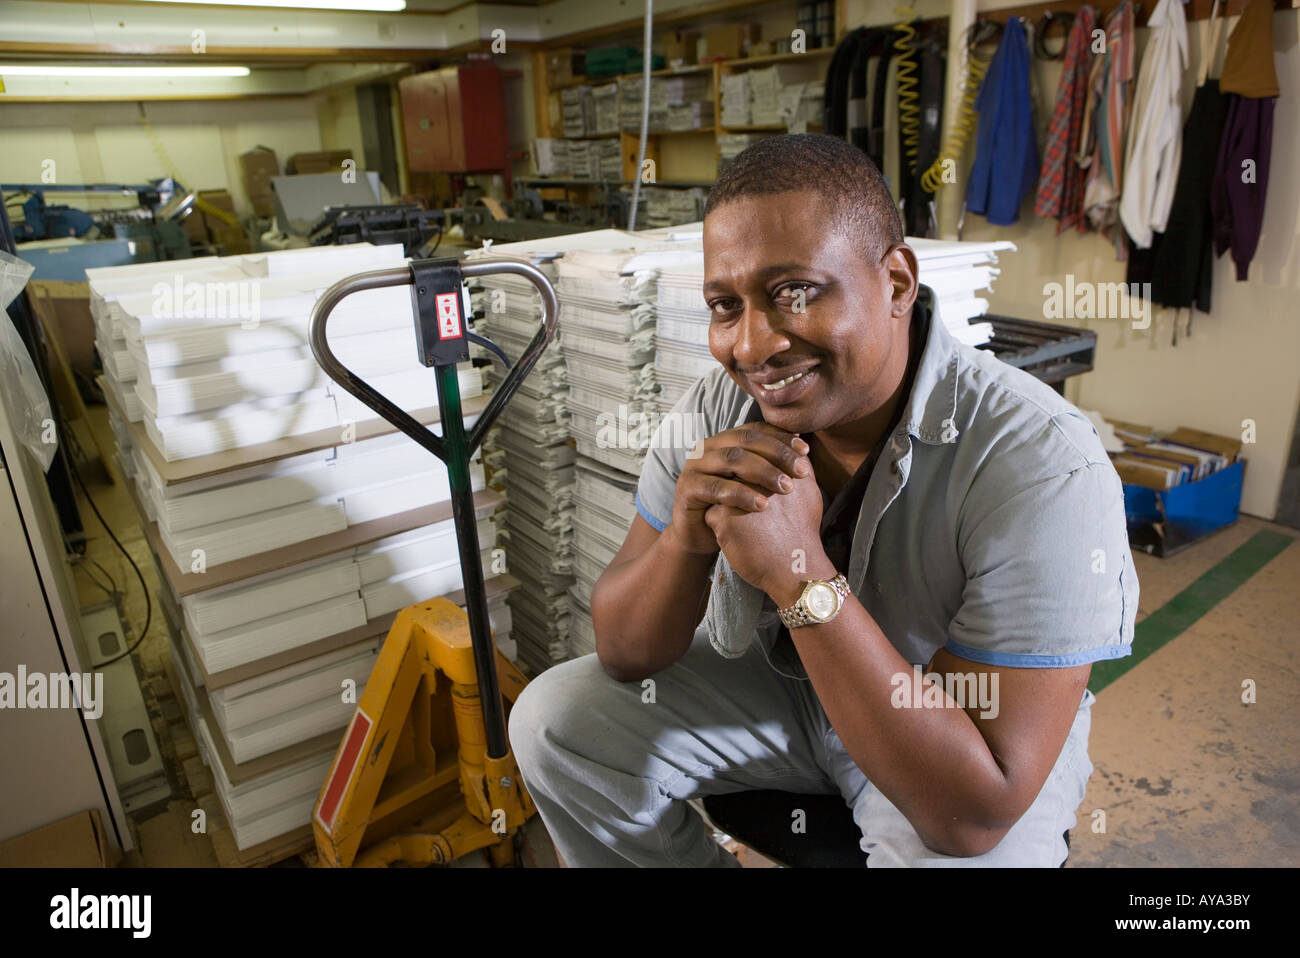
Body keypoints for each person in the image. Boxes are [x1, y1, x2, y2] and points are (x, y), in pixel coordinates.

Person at [509, 133, 1137, 867]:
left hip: (953, 727)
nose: (751, 346)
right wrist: (685, 532)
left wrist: (800, 576)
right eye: (724, 305)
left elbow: (972, 816)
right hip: (788, 692)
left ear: (896, 283)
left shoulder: (1037, 462)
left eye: (794, 293)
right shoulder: (719, 407)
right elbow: (624, 654)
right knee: (558, 724)